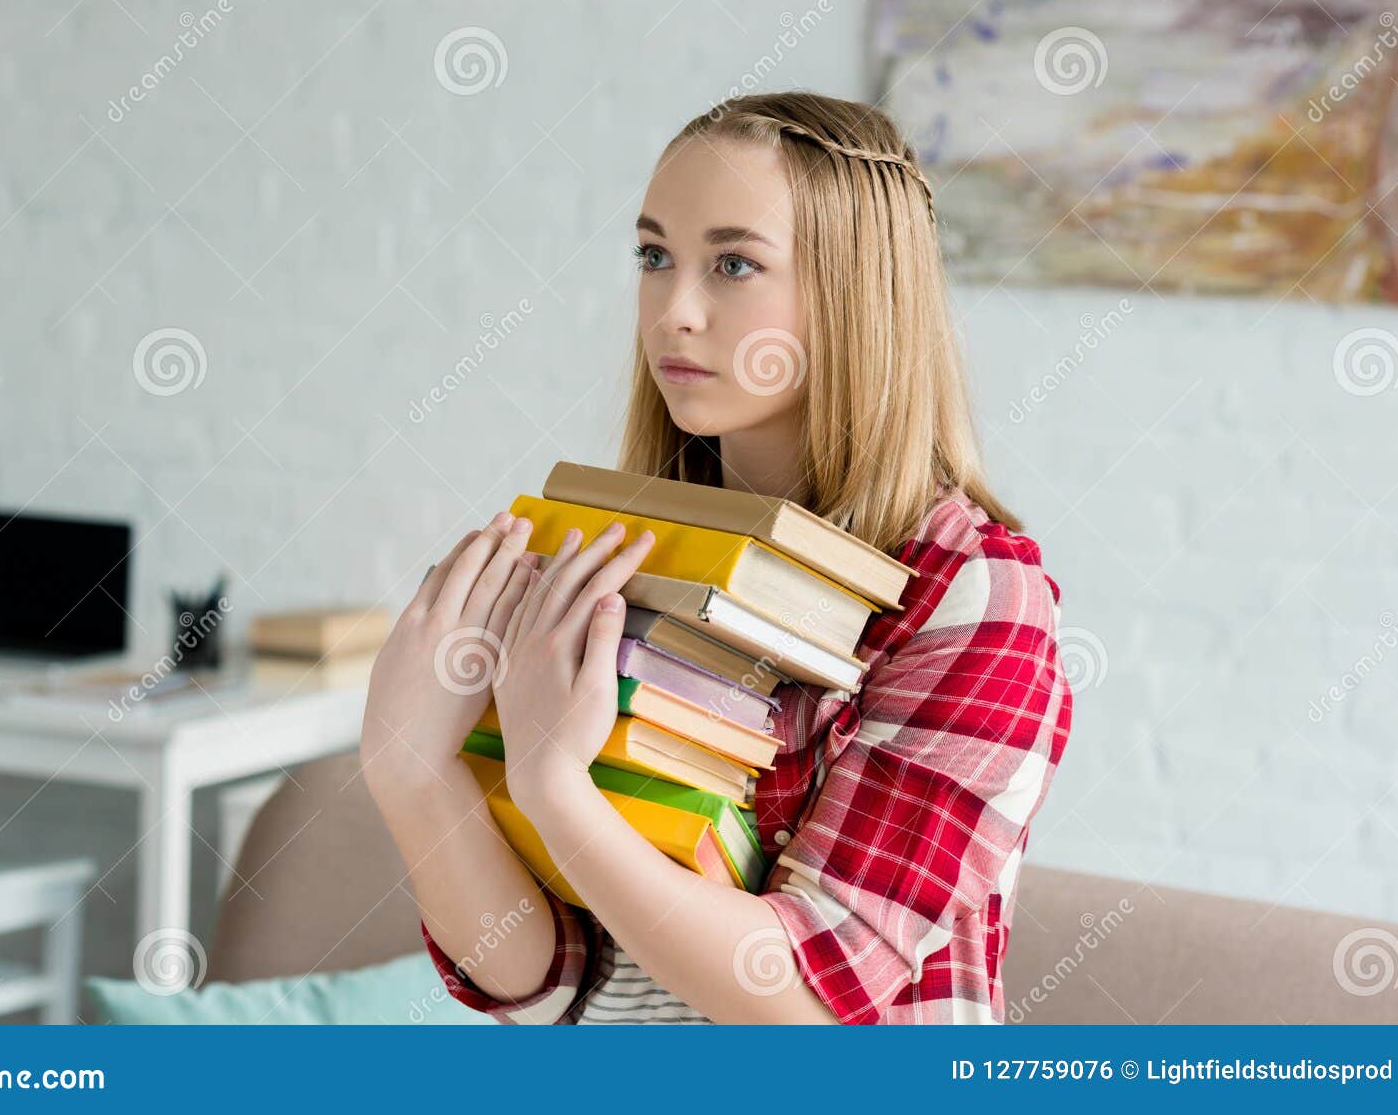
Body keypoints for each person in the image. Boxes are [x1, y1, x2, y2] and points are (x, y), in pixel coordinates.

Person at [362, 91, 1074, 1024]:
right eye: (655, 257)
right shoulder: (624, 550)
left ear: (856, 292)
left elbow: (815, 1009)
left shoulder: (977, 599)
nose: (674, 312)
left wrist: (552, 784)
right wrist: (409, 770)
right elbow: (546, 983)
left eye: (734, 264)